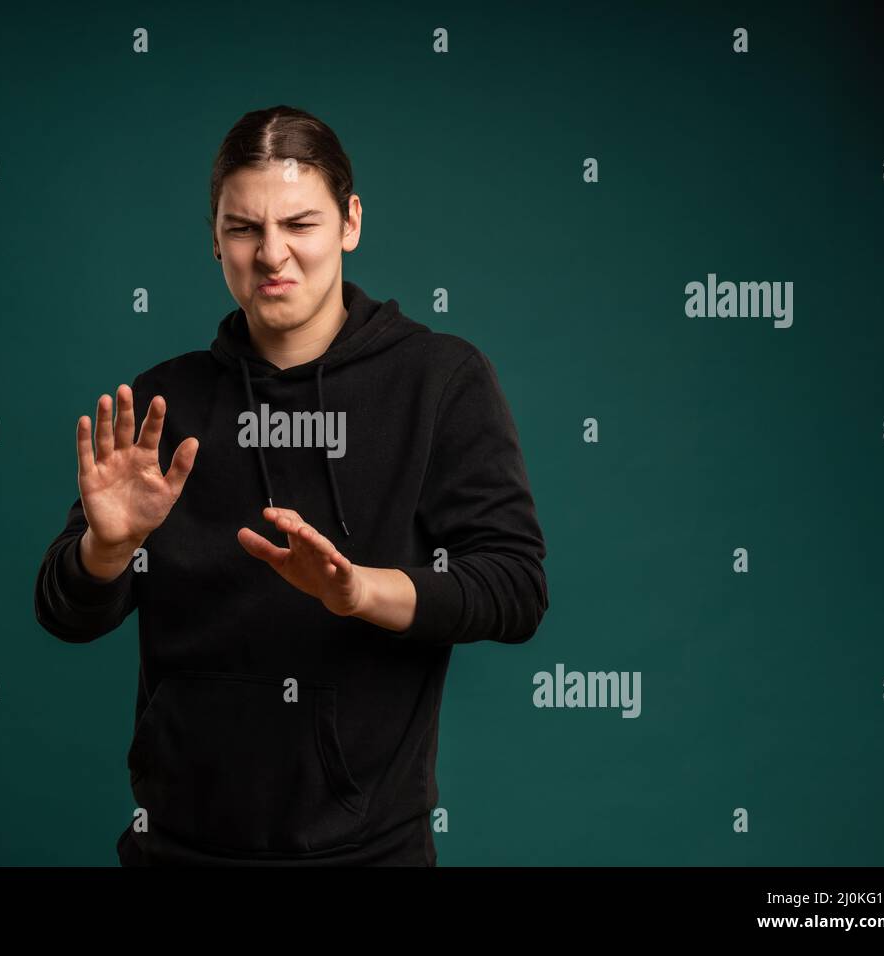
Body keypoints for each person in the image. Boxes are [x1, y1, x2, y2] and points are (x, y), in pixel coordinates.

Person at [34, 105, 549, 866]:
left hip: (368, 853)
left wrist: (360, 592)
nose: (272, 255)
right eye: (243, 229)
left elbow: (515, 588)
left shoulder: (438, 381)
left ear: (351, 222)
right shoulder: (162, 405)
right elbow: (63, 614)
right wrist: (108, 550)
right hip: (176, 849)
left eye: (300, 224)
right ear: (215, 238)